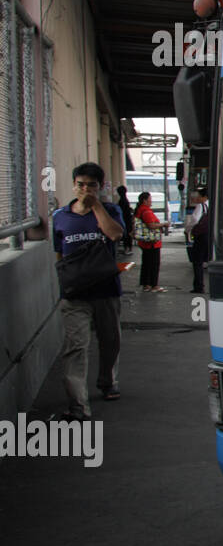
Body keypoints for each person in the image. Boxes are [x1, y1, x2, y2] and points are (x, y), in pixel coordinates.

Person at [51, 162, 125, 420]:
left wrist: (96, 207)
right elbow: (59, 253)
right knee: (76, 348)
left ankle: (107, 381)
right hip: (75, 295)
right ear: (74, 185)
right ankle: (78, 406)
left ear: (100, 186)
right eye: (80, 185)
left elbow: (115, 235)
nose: (85, 190)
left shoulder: (110, 210)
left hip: (106, 291)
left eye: (91, 185)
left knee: (110, 341)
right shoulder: (61, 216)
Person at [133, 191, 165, 292]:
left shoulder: (139, 210)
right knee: (154, 264)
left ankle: (146, 284)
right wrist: (163, 224)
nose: (151, 201)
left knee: (146, 264)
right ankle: (154, 285)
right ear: (145, 200)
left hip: (144, 242)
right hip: (152, 243)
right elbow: (151, 225)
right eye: (150, 199)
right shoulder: (146, 211)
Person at [186, 188, 210, 294]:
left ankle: (199, 286)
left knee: (197, 262)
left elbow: (195, 219)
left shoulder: (201, 206)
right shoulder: (212, 205)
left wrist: (188, 229)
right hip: (210, 235)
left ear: (204, 197)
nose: (197, 198)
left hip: (201, 236)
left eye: (199, 196)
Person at [116, 185, 133, 252]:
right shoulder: (126, 199)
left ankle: (127, 248)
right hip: (128, 219)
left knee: (126, 234)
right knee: (128, 234)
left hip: (124, 220)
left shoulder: (121, 200)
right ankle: (129, 247)